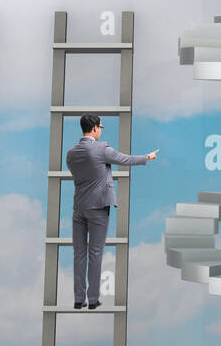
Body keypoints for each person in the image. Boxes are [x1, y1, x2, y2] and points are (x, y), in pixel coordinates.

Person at [65, 114, 157, 309]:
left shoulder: (71, 153)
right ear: (96, 128)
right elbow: (125, 159)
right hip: (98, 207)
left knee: (79, 254)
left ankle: (78, 299)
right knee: (95, 253)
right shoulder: (100, 148)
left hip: (78, 208)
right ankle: (93, 300)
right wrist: (147, 157)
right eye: (101, 127)